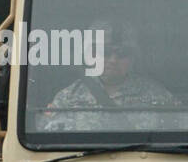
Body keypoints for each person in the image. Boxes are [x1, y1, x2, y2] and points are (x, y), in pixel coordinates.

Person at [40, 23, 179, 132]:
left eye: (122, 53)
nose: (113, 60)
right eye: (105, 52)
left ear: (133, 58)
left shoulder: (158, 97)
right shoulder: (68, 98)